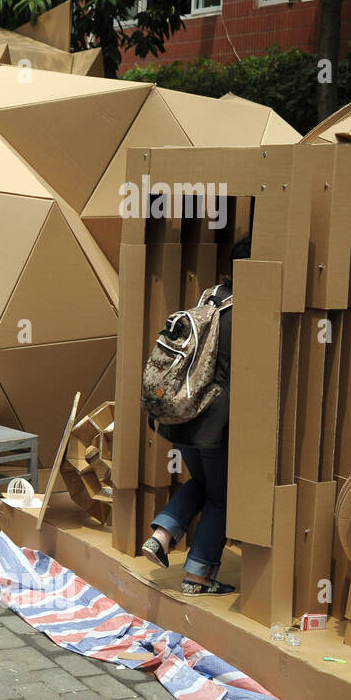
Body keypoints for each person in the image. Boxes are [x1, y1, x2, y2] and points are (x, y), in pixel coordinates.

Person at [142, 234, 246, 594]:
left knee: (201, 483)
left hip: (182, 415)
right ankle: (197, 577)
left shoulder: (208, 297)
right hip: (214, 423)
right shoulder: (243, 312)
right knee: (221, 498)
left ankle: (162, 534)